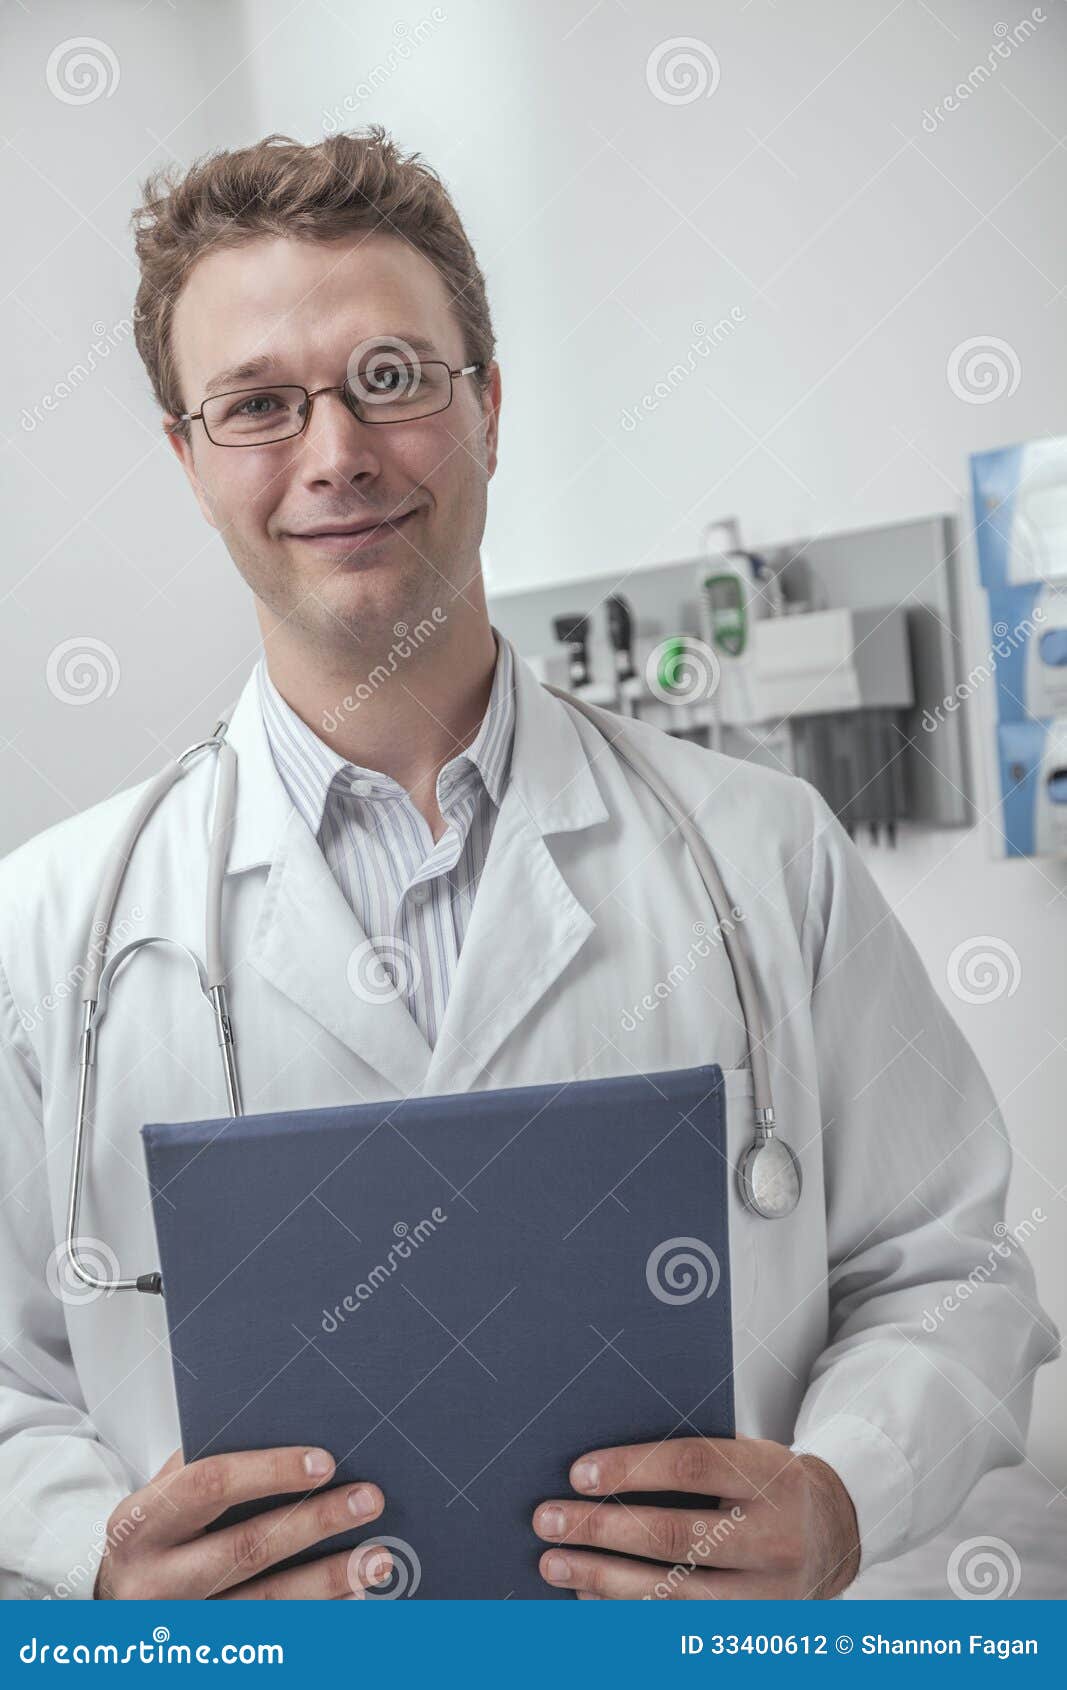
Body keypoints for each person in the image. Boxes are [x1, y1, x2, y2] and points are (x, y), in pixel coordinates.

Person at [0, 127, 1055, 1602]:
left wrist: (844, 1495)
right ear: (190, 459)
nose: (336, 453)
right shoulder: (49, 927)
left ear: (487, 407)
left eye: (391, 377)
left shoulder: (764, 855)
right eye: (257, 406)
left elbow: (950, 1270)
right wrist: (94, 1555)